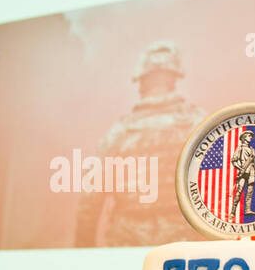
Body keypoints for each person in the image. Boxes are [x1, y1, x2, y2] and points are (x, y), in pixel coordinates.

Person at [75, 40, 204, 246]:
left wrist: (82, 251)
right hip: (182, 247)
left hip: (126, 242)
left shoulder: (119, 133)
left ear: (142, 82)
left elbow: (90, 201)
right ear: (174, 78)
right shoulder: (198, 125)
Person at [230, 129, 255, 219]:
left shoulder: (252, 149)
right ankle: (232, 212)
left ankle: (247, 210)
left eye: (251, 136)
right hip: (244, 171)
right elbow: (233, 161)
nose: (250, 138)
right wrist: (240, 168)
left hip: (251, 172)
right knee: (239, 191)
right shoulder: (240, 148)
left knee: (250, 192)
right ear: (244, 137)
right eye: (249, 136)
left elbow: (254, 161)